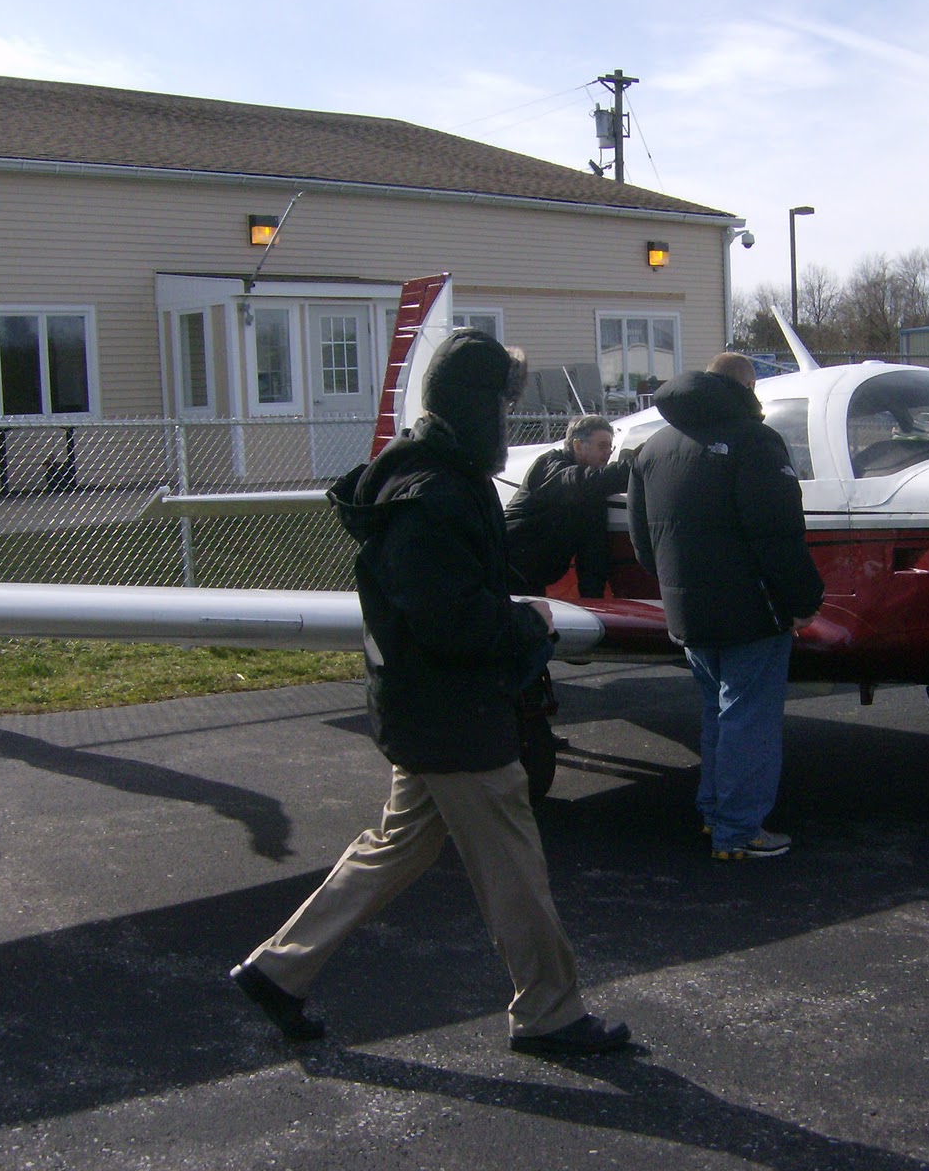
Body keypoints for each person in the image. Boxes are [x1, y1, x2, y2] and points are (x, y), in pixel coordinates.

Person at [231, 329, 630, 1054]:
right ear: (475, 408)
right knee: (515, 866)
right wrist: (523, 620)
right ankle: (551, 1014)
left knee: (398, 846)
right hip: (452, 714)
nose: (509, 425)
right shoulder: (433, 495)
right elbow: (448, 620)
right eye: (502, 408)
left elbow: (444, 608)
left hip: (428, 708)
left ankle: (277, 972)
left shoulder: (439, 476)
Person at [627, 351, 823, 861]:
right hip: (751, 611)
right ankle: (739, 830)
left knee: (718, 714)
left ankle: (717, 816)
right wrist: (803, 601)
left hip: (688, 612)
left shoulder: (651, 449)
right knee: (748, 718)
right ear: (745, 387)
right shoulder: (756, 441)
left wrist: (677, 589)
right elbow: (779, 534)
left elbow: (643, 544)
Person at [504, 414, 631, 600]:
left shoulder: (593, 493)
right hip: (504, 569)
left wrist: (593, 601)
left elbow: (592, 554)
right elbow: (577, 481)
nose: (609, 453)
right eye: (602, 446)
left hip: (532, 579)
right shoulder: (549, 465)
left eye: (610, 447)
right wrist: (640, 467)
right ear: (578, 446)